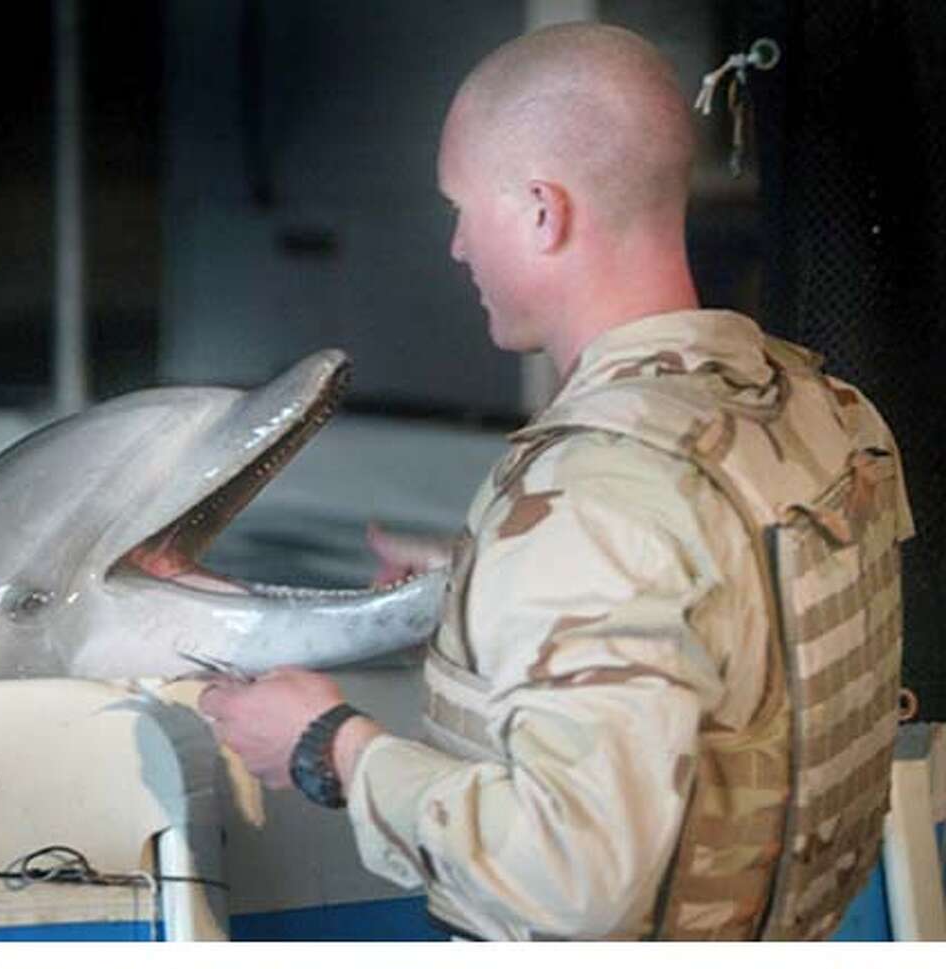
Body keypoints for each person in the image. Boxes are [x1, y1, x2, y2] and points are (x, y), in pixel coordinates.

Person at [198, 22, 914, 941]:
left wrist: (329, 746)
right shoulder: (826, 410)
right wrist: (490, 583)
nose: (457, 246)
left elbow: (575, 879)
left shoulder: (595, 496)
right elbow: (738, 643)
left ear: (545, 212)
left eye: (463, 207)